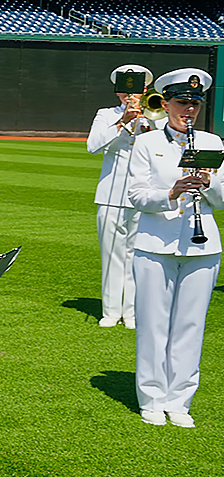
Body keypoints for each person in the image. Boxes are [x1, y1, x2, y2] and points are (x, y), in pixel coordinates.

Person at [127, 68, 221, 429]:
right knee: (153, 324)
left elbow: (223, 200)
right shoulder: (148, 143)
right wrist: (172, 192)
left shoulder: (214, 143)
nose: (189, 110)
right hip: (155, 244)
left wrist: (209, 185)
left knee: (190, 326)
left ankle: (179, 400)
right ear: (165, 104)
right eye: (182, 102)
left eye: (195, 103)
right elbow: (136, 195)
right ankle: (151, 397)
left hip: (203, 246)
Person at [89, 65, 157, 329]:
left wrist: (147, 122)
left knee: (138, 255)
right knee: (111, 255)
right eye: (125, 89)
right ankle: (110, 310)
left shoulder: (156, 115)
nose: (131, 94)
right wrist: (122, 122)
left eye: (136, 89)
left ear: (144, 91)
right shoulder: (105, 114)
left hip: (145, 195)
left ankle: (132, 312)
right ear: (118, 92)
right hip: (110, 195)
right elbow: (93, 146)